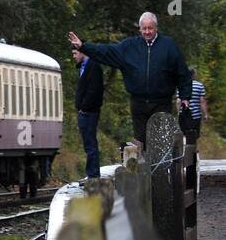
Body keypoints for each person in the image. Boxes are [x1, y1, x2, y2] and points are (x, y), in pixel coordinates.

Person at [68, 13, 192, 146]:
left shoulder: (168, 46)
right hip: (138, 103)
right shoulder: (129, 47)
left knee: (160, 141)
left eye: (150, 28)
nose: (147, 32)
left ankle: (161, 165)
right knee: (141, 141)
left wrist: (185, 97)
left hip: (162, 102)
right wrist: (83, 47)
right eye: (144, 28)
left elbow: (182, 73)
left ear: (156, 28)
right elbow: (105, 51)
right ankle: (145, 165)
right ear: (139, 29)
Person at [73, 48, 104, 179]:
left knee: (90, 144)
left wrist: (84, 107)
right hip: (85, 111)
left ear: (82, 52)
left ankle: (93, 174)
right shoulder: (83, 67)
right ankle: (91, 173)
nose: (73, 56)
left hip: (89, 112)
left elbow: (94, 90)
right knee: (88, 144)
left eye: (75, 53)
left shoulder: (93, 67)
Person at [182, 67, 209, 144]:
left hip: (184, 114)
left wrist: (179, 112)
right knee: (194, 134)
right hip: (195, 115)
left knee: (185, 133)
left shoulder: (182, 86)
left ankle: (185, 147)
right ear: (194, 75)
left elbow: (178, 101)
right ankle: (192, 150)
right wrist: (205, 114)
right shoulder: (199, 85)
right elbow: (202, 101)